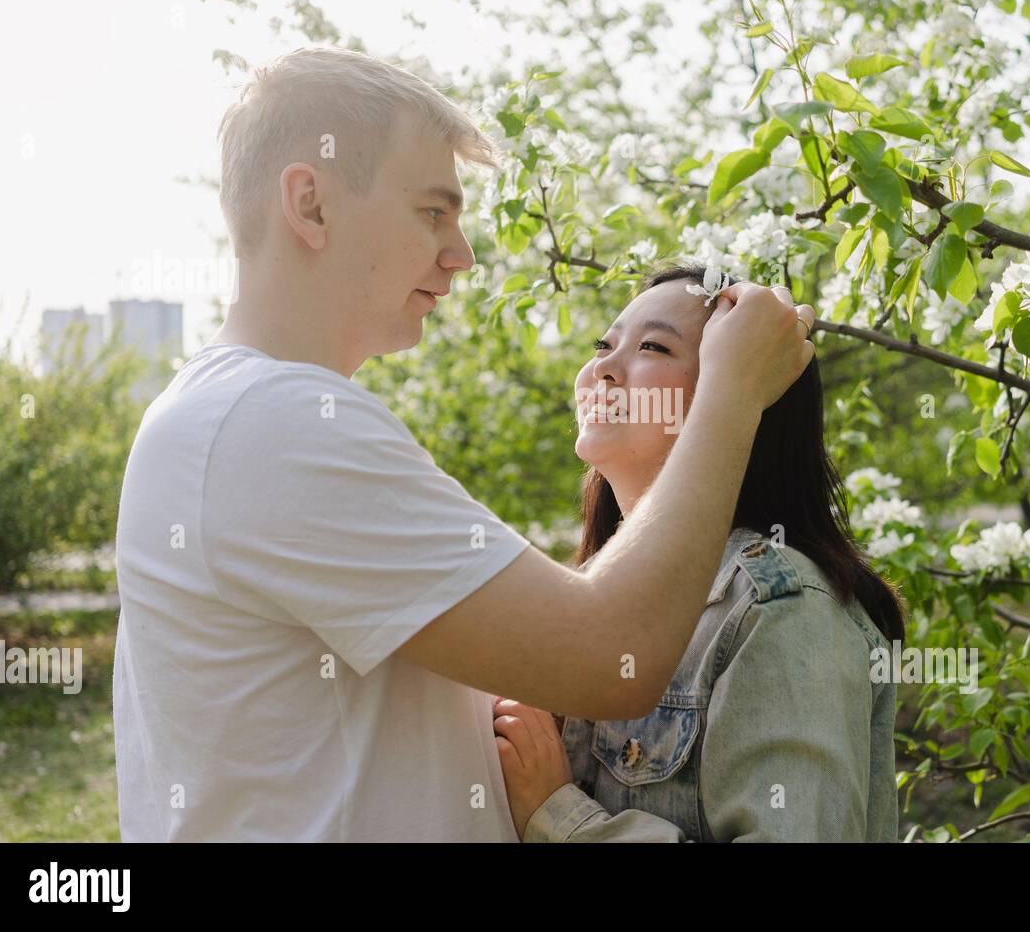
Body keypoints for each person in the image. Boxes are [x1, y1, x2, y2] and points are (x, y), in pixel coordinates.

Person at [111, 49, 816, 841]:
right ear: (310, 205)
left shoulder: (234, 414)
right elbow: (613, 651)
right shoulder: (274, 426)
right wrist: (732, 390)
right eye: (433, 212)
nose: (463, 252)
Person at [492, 264, 905, 842]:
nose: (602, 369)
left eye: (654, 347)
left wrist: (560, 816)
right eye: (602, 345)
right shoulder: (581, 596)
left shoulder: (778, 608)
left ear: (742, 389)